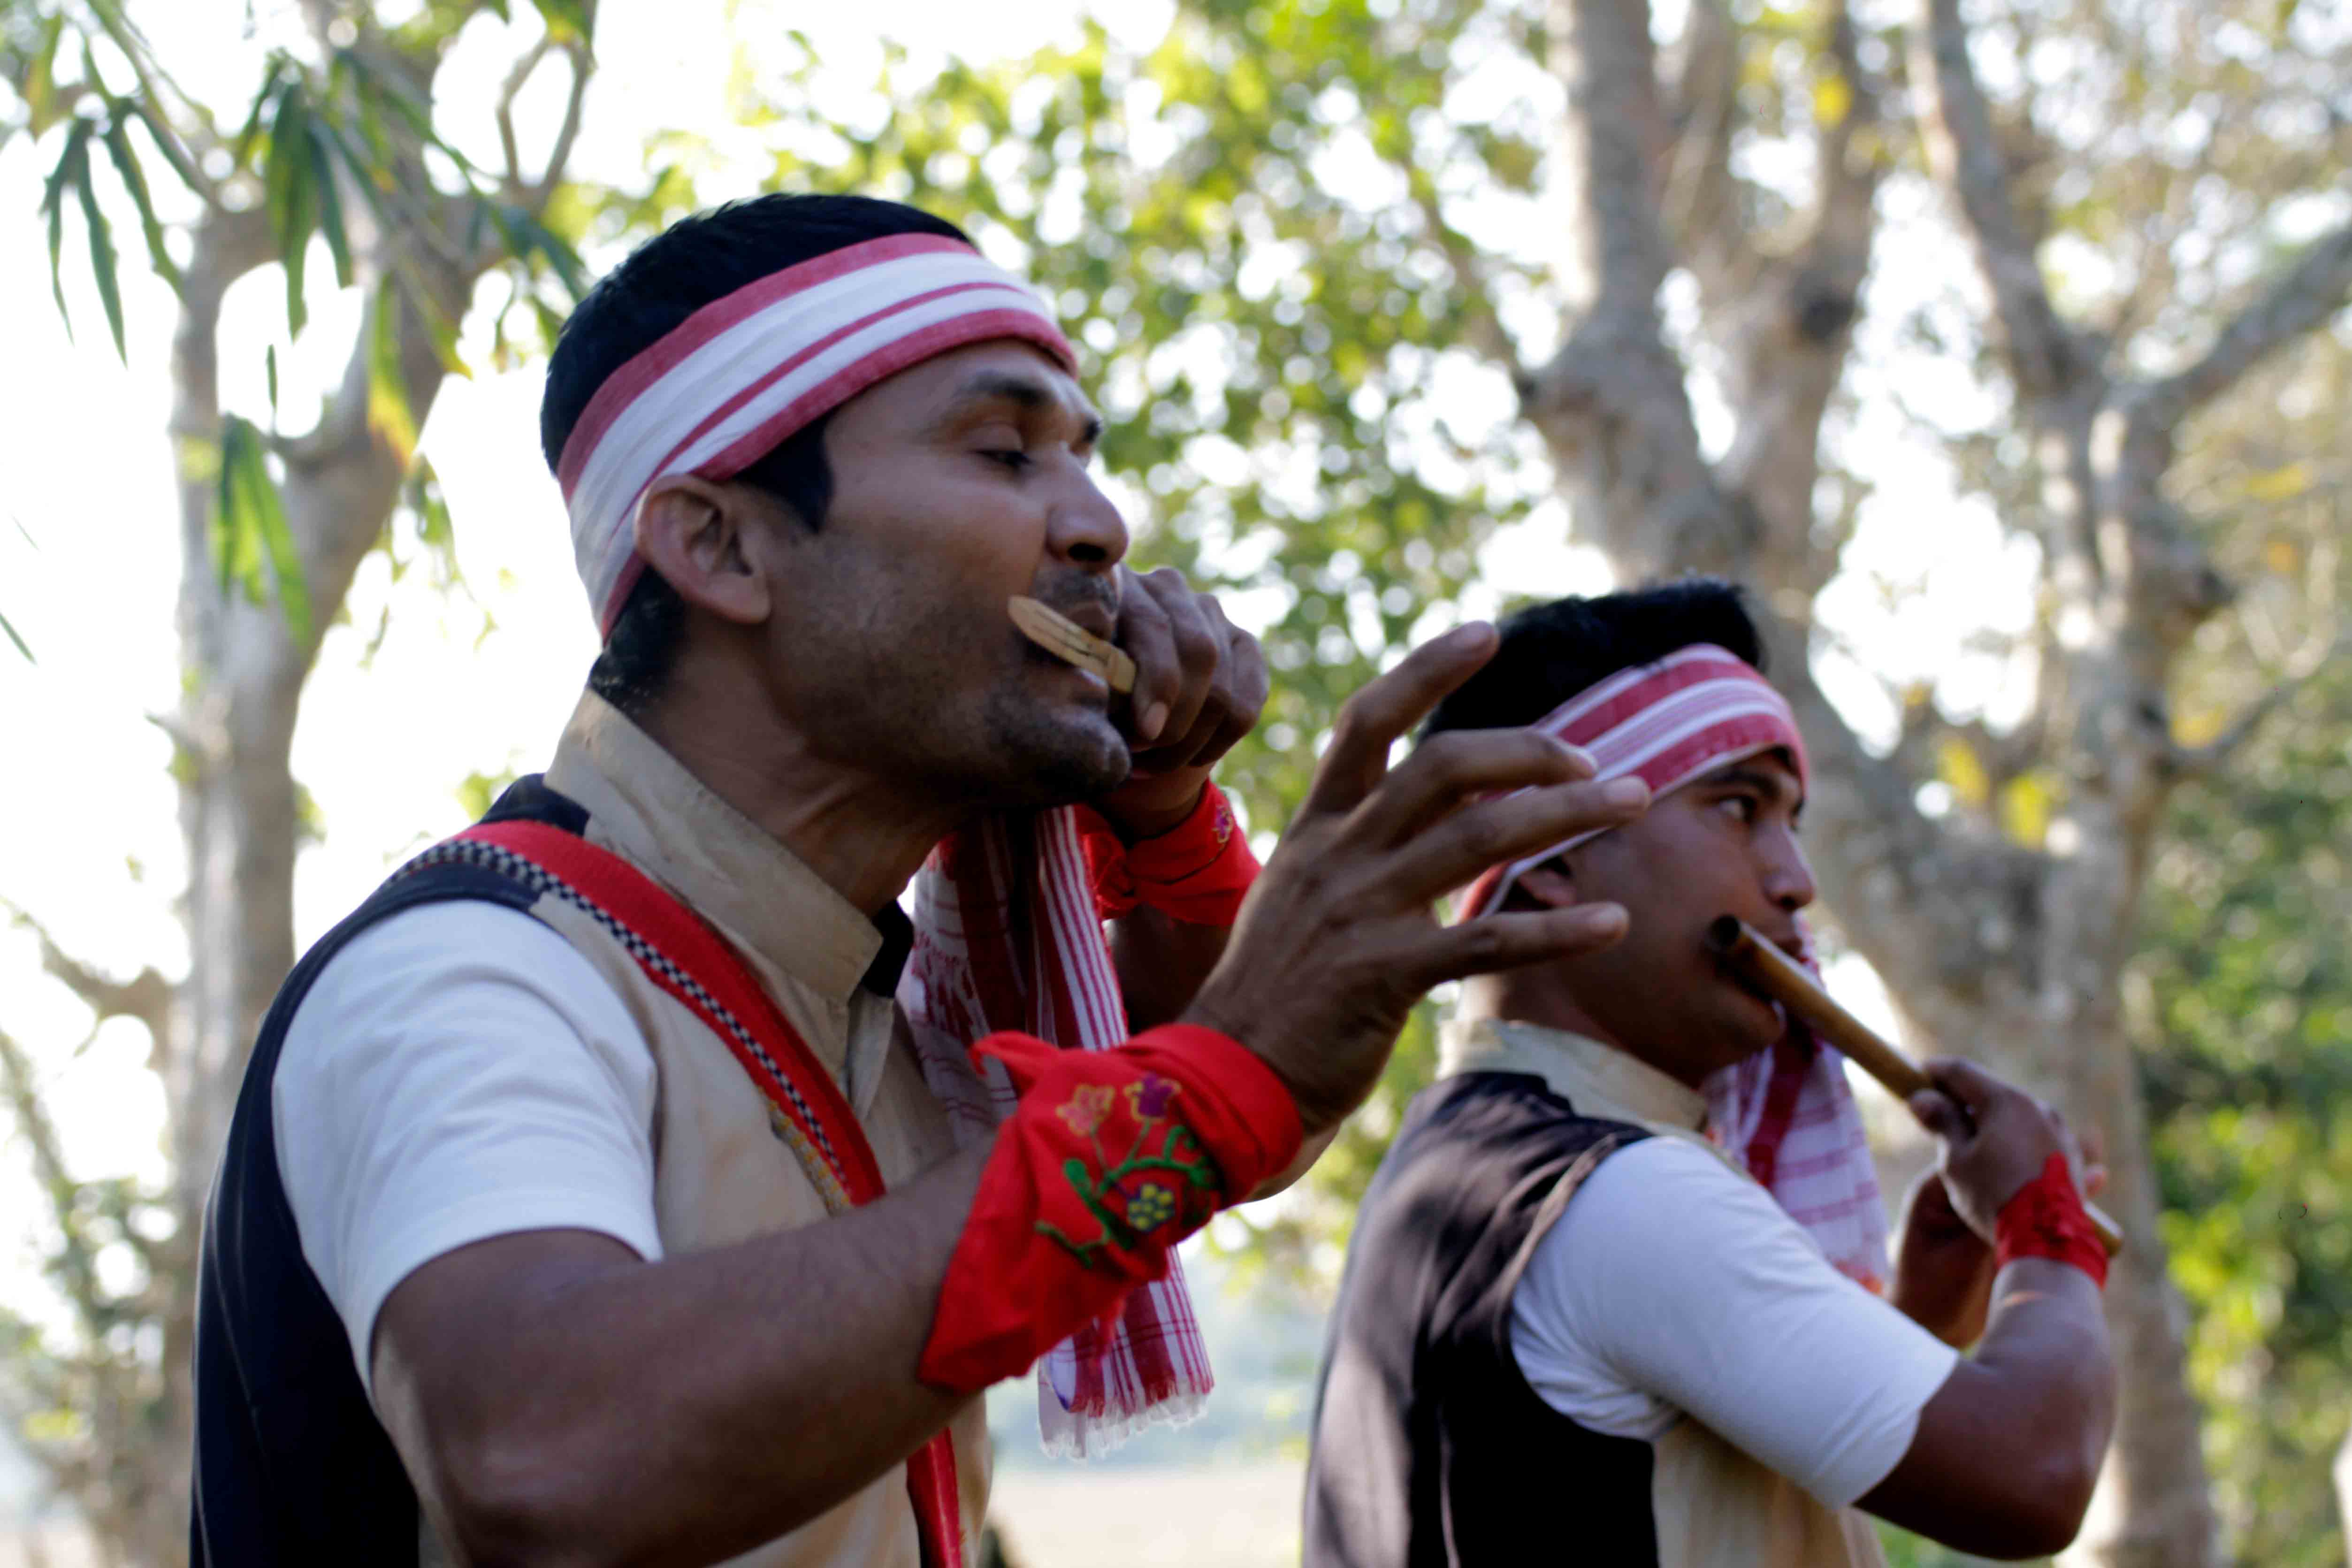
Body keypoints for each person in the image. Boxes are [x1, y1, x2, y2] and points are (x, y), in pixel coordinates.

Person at [189, 192, 1654, 1568]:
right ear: (717, 542)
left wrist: (1164, 816)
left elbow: (1229, 1129)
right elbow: (545, 1449)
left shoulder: (866, 997)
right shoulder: (478, 973)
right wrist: (1208, 1083)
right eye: (1005, 454)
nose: (1097, 524)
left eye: (1083, 455)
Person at [1304, 580, 2118, 1567]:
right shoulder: (1616, 1193)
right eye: (1737, 809)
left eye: (1791, 823)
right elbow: (2032, 1479)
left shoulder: (1470, 1160)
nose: (1795, 881)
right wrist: (2049, 1224)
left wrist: (1919, 1319)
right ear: (1548, 856)